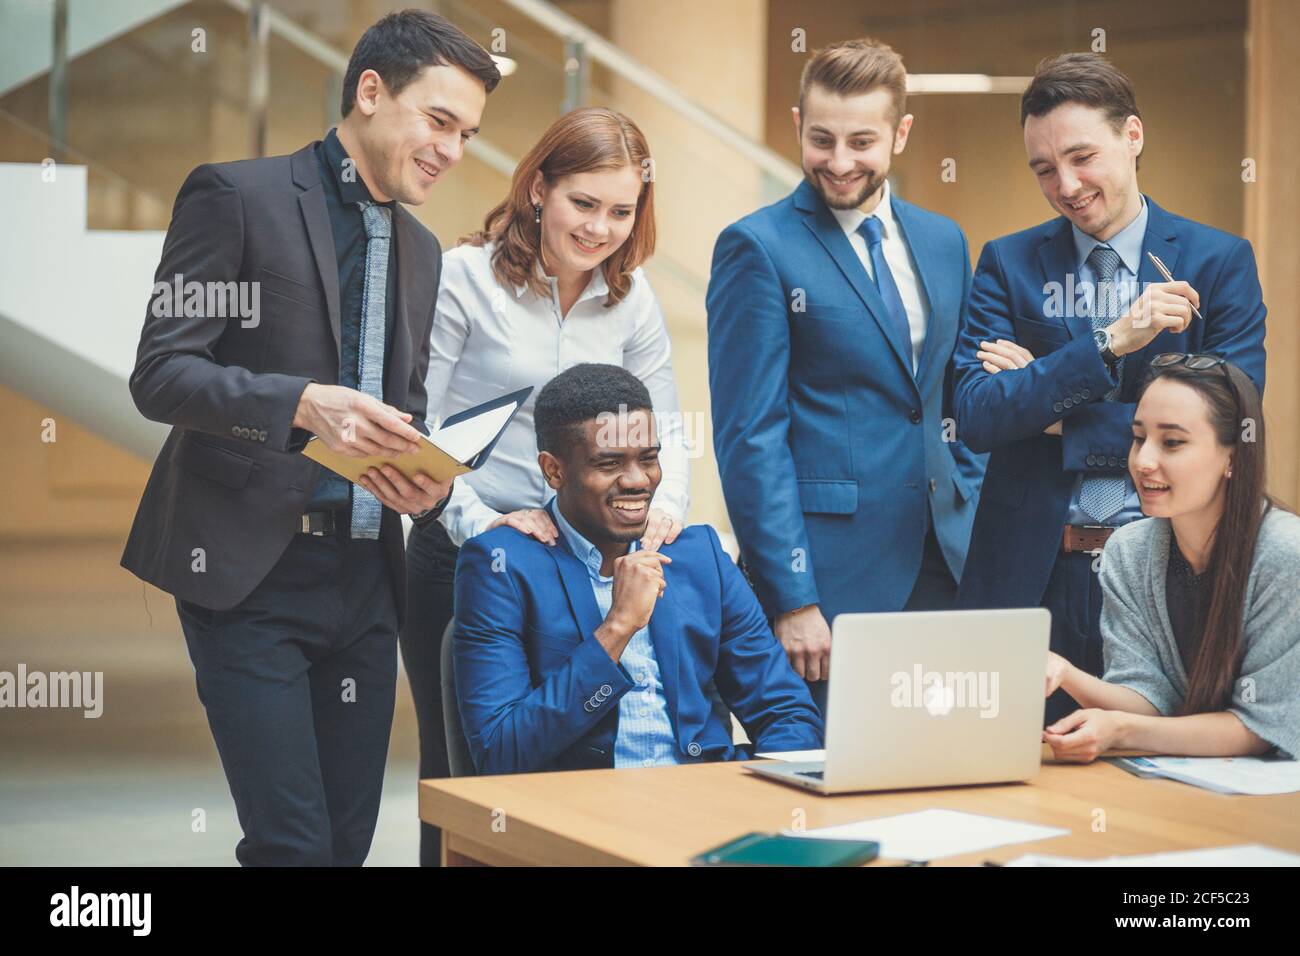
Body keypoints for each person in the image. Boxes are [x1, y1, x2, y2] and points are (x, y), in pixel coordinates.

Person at [120, 10, 500, 865]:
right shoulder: (235, 195)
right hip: (249, 574)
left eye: (468, 133)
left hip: (367, 579)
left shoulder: (425, 248)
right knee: (292, 845)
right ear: (371, 91)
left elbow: (399, 407)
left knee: (347, 842)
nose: (452, 149)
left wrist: (424, 479)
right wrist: (298, 404)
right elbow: (160, 375)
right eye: (438, 121)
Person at [402, 107, 688, 862]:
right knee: (464, 773)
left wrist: (664, 515)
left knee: (573, 751)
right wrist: (482, 524)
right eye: (583, 203)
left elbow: (669, 424)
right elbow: (417, 424)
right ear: (538, 189)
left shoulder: (633, 298)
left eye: (621, 210)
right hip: (468, 549)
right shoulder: (463, 278)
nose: (600, 228)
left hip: (579, 559)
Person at [952, 53, 1267, 723]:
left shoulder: (1219, 263)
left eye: (1081, 157)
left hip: (1163, 573)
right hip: (1025, 576)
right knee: (1008, 775)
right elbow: (977, 415)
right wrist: (1108, 344)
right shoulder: (1007, 263)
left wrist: (1050, 414)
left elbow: (1230, 428)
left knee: (1154, 776)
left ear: (1133, 136)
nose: (1066, 185)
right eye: (1043, 169)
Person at [707, 38, 986, 710]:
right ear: (798, 124)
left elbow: (952, 393)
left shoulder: (944, 240)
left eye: (862, 141)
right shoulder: (758, 247)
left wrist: (968, 485)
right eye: (821, 138)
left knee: (950, 774)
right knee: (847, 789)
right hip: (831, 582)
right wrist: (792, 594)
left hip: (946, 559)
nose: (839, 162)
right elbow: (751, 435)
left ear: (900, 134)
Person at [452, 364, 822, 775]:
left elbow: (786, 713)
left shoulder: (698, 555)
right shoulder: (501, 566)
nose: (637, 481)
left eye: (648, 459)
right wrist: (618, 627)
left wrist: (758, 798)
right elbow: (502, 752)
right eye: (609, 464)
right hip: (581, 814)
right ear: (554, 470)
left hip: (704, 802)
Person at [1042, 358, 1299, 762]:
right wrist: (1063, 673)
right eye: (1138, 437)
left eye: (1172, 442)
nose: (1143, 461)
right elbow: (1148, 698)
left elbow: (1257, 728)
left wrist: (1122, 731)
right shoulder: (1129, 550)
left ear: (1232, 457)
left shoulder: (1286, 553)